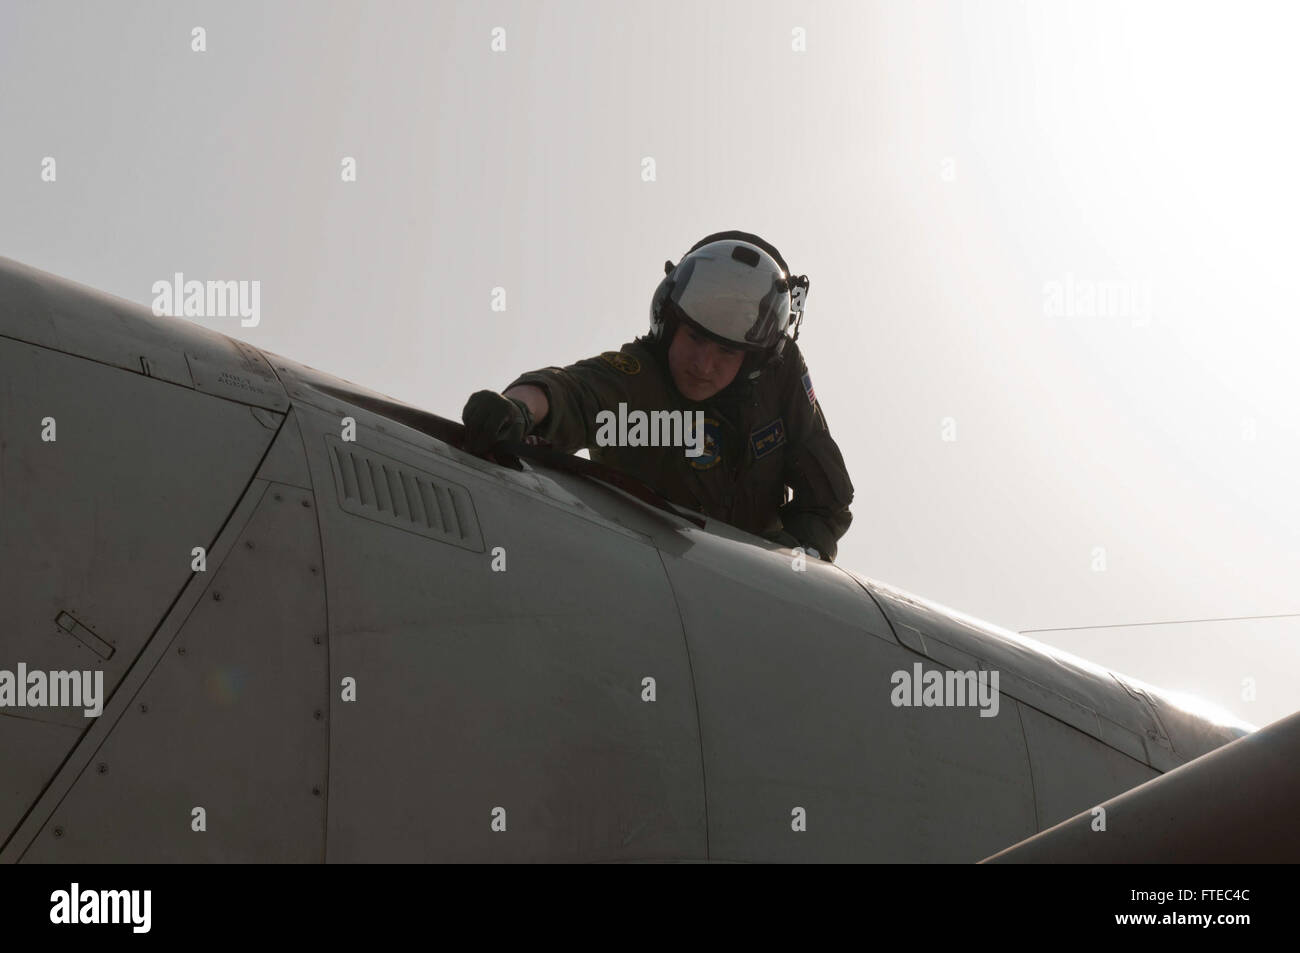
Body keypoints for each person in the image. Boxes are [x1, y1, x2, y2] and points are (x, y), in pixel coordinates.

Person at [461, 230, 854, 561]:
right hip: (645, 573)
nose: (703, 364)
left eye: (726, 352)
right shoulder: (640, 378)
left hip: (755, 590)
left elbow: (826, 501)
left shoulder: (778, 381)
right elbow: (571, 392)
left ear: (753, 361)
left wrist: (790, 565)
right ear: (669, 325)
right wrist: (515, 409)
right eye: (695, 338)